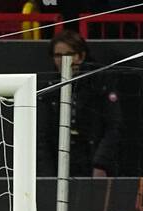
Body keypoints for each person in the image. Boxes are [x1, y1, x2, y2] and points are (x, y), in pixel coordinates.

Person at [37, 30, 122, 178]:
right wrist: (48, 175)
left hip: (93, 163)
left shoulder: (100, 84)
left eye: (68, 54)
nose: (63, 60)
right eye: (58, 55)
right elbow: (42, 137)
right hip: (60, 166)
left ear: (81, 56)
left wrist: (101, 164)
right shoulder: (49, 90)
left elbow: (114, 126)